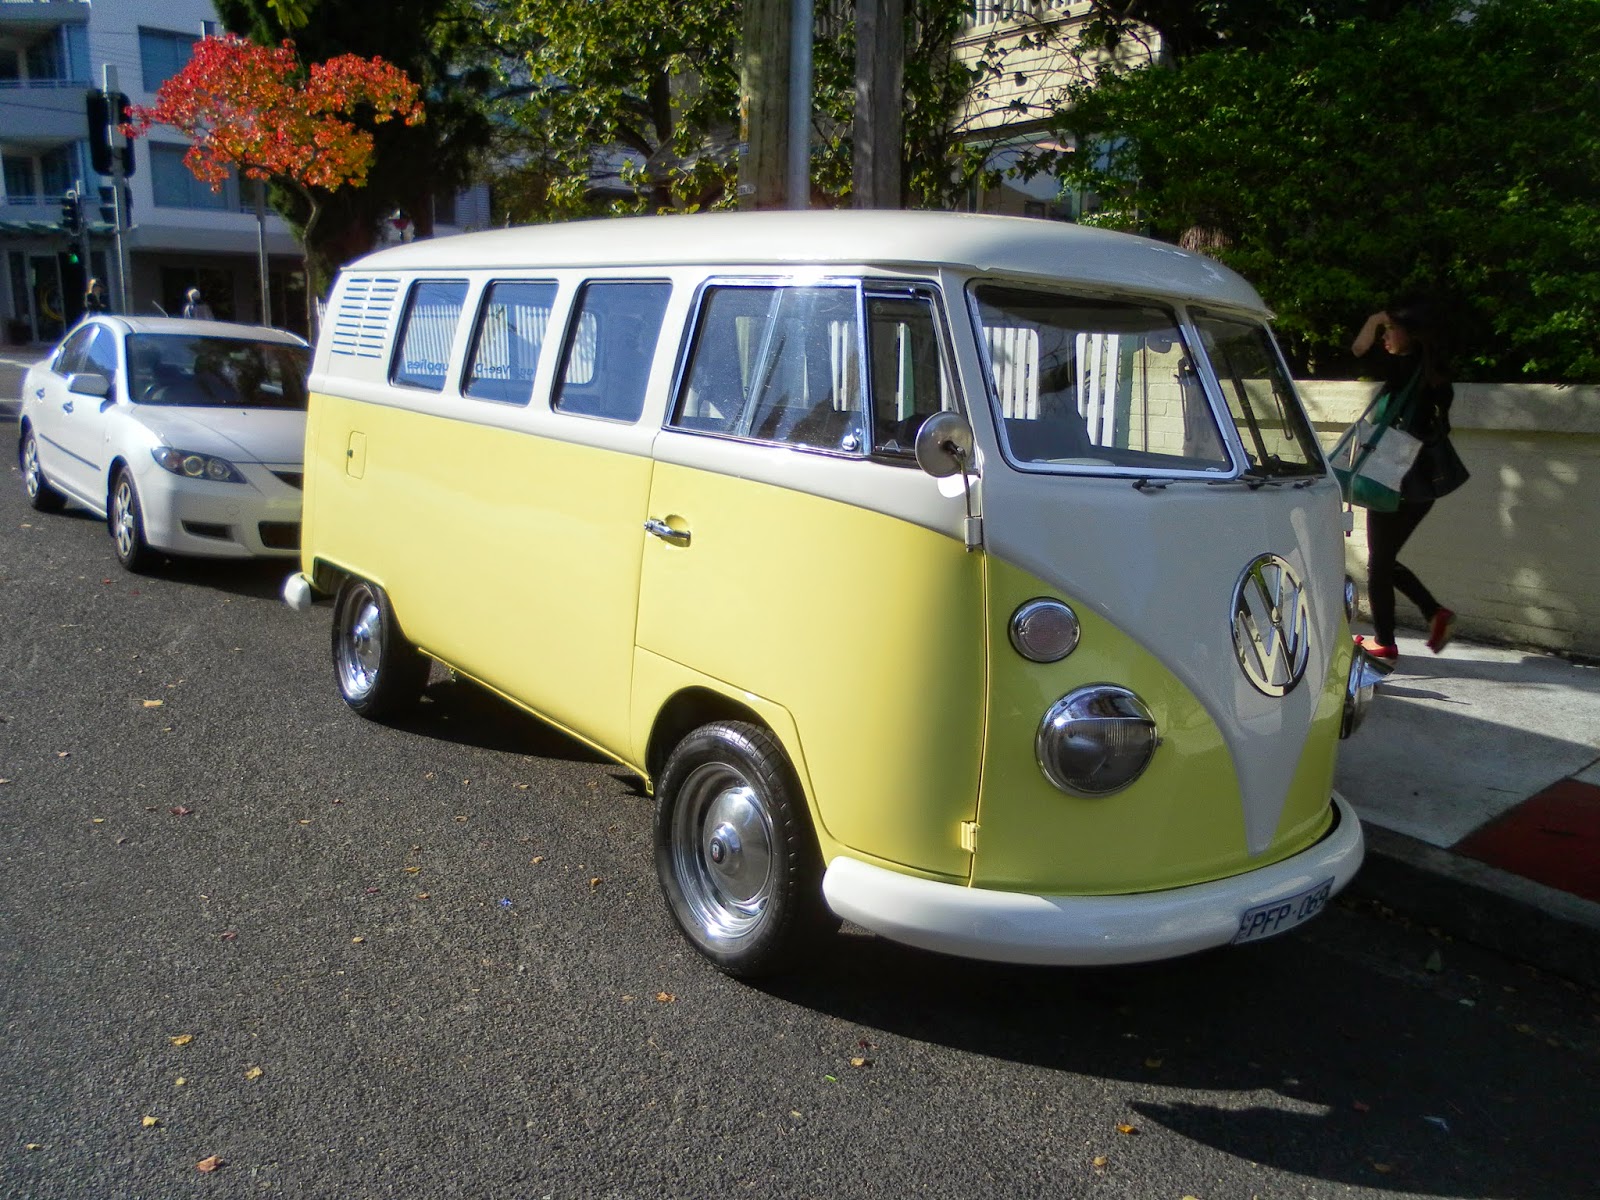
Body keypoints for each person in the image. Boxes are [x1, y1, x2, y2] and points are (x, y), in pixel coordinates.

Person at [1349, 297, 1468, 661]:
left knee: (1379, 565)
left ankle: (1385, 642)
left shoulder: (1404, 371)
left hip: (1393, 477)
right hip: (1422, 484)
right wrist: (1386, 321)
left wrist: (1372, 317)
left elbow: (1357, 350)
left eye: (1390, 330)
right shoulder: (1432, 373)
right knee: (1383, 561)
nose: (1385, 337)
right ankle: (1435, 613)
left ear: (1411, 335)